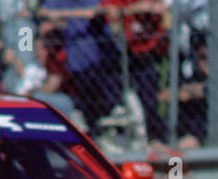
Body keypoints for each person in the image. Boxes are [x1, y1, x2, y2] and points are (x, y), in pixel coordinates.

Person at [37, 0, 121, 130]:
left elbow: (93, 12)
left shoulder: (58, 55)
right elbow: (43, 12)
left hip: (99, 60)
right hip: (77, 65)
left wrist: (61, 14)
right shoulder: (47, 55)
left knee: (103, 101)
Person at [101, 0, 170, 145]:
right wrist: (133, 9)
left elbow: (160, 10)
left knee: (152, 98)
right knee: (115, 80)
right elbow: (109, 12)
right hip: (127, 53)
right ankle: (119, 121)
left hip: (153, 54)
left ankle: (157, 138)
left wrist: (127, 10)